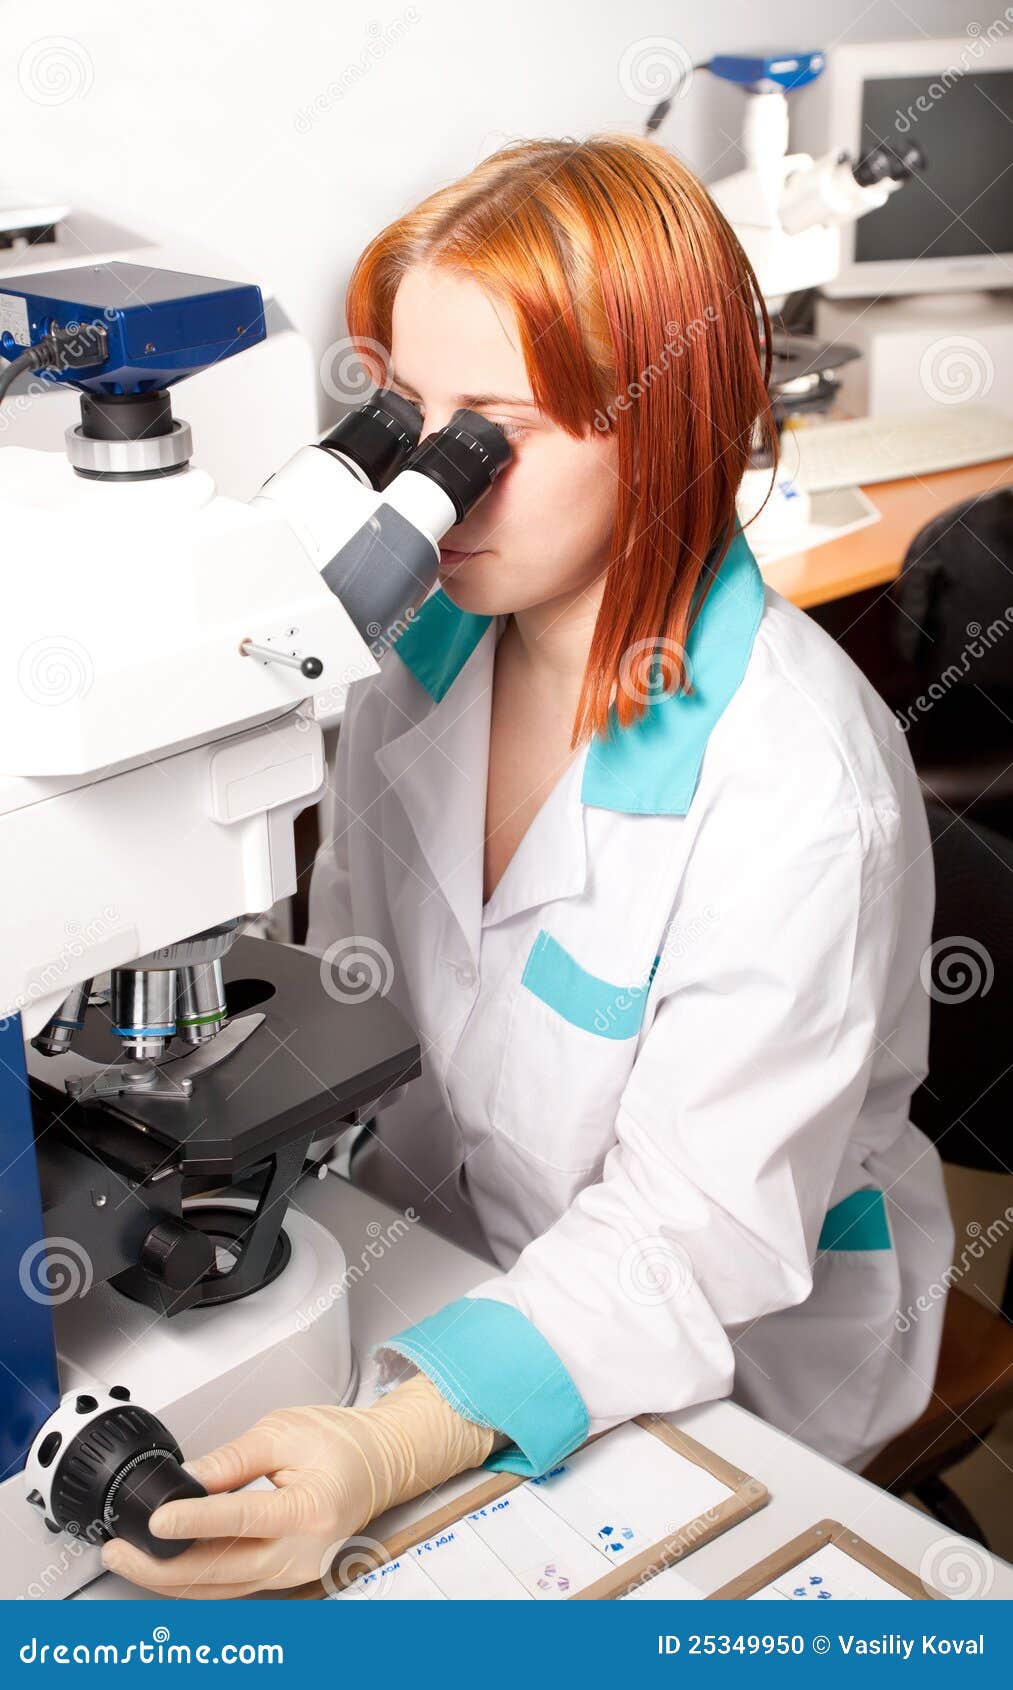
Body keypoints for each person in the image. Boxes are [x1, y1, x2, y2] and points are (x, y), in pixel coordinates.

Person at [102, 134, 954, 1599]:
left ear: (665, 418)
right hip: (436, 1252)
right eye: (411, 427)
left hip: (729, 1342)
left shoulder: (796, 785)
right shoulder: (410, 673)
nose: (434, 490)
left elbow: (690, 1239)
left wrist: (392, 1443)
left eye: (487, 434)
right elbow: (341, 1005)